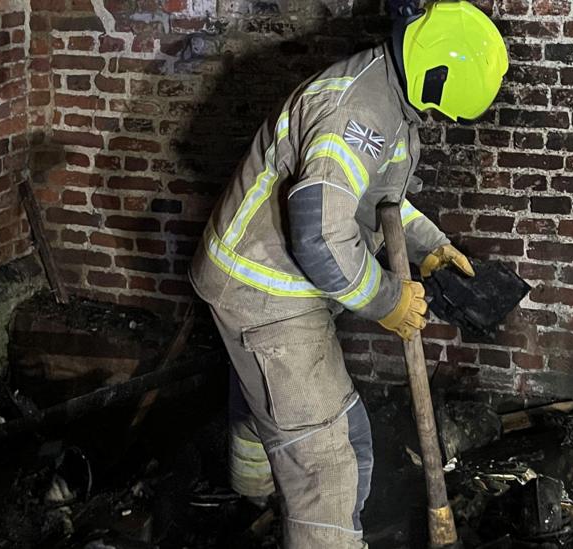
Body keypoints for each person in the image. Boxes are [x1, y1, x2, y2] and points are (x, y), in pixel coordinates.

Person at [188, 2, 508, 546]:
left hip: (251, 274)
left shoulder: (388, 92)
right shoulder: (357, 114)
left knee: (262, 398)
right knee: (333, 461)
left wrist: (429, 245)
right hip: (263, 292)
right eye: (449, 112)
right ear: (437, 83)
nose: (446, 122)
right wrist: (388, 301)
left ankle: (251, 500)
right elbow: (318, 237)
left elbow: (373, 195)